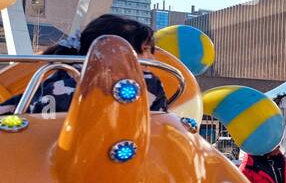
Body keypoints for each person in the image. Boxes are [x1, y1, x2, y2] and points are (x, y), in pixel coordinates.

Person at [1, 14, 168, 114]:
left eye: (151, 51)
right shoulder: (145, 84)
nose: (151, 59)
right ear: (110, 52)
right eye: (144, 50)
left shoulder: (54, 79)